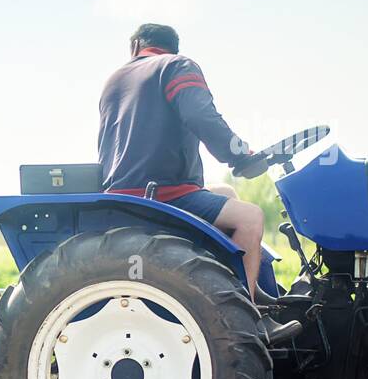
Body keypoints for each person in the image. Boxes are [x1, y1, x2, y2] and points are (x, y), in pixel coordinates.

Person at [98, 23, 300, 343]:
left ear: (136, 46)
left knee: (228, 193)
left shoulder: (115, 79)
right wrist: (238, 154)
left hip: (126, 192)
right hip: (162, 194)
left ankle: (250, 286)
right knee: (251, 218)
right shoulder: (176, 65)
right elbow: (202, 116)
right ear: (172, 48)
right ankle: (250, 318)